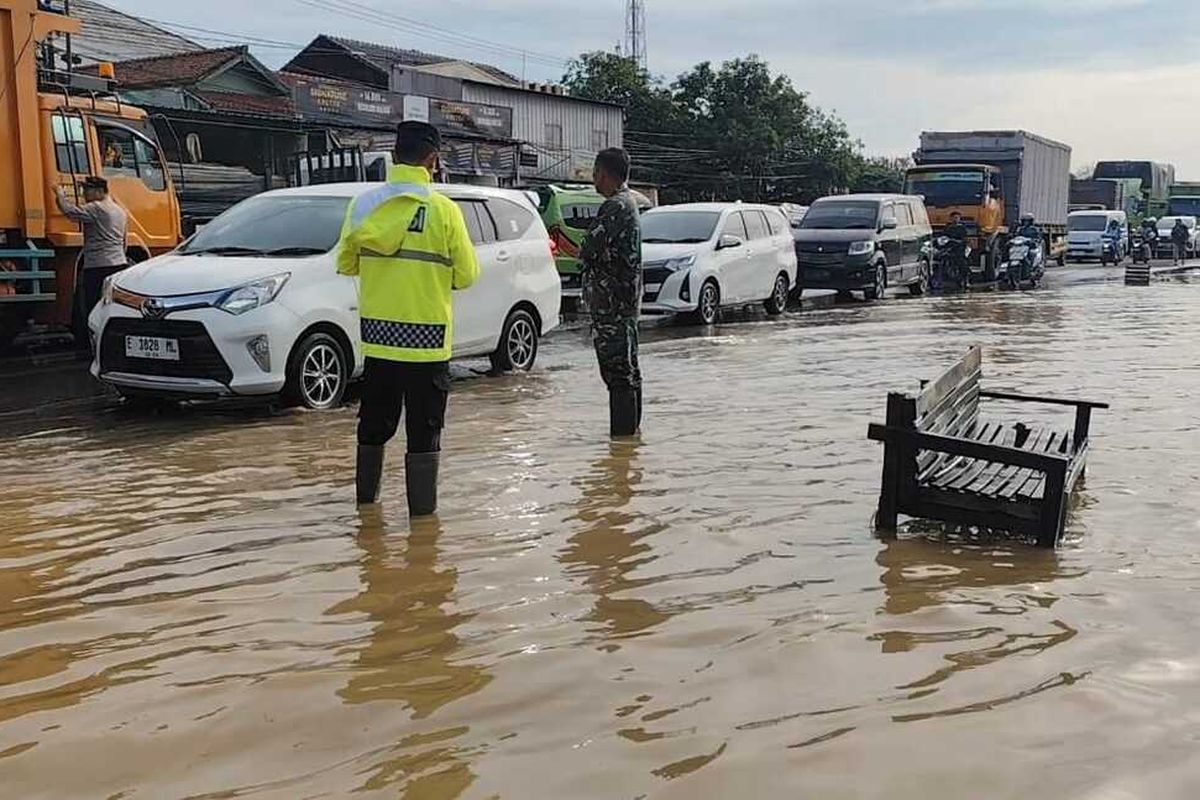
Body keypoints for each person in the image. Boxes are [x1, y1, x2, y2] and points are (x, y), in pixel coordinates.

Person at [336, 121, 479, 514]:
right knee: (424, 433)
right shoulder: (444, 211)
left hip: (379, 341)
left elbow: (346, 263)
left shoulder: (363, 205)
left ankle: (367, 509)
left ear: (394, 155)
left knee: (373, 427)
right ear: (432, 160)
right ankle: (422, 529)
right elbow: (467, 276)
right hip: (427, 345)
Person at [580, 148, 643, 438]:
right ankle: (629, 446)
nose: (594, 181)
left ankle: (622, 445)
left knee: (619, 376)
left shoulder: (616, 205)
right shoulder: (629, 202)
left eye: (595, 175)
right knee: (628, 373)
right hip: (623, 302)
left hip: (612, 306)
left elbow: (589, 247)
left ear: (603, 174)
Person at [54, 176, 128, 344]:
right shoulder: (120, 210)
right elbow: (125, 242)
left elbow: (70, 212)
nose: (84, 194)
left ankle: (94, 342)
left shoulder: (96, 208)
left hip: (98, 266)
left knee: (94, 305)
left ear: (99, 192)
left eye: (87, 190)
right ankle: (113, 340)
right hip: (118, 263)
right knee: (111, 304)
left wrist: (59, 195)